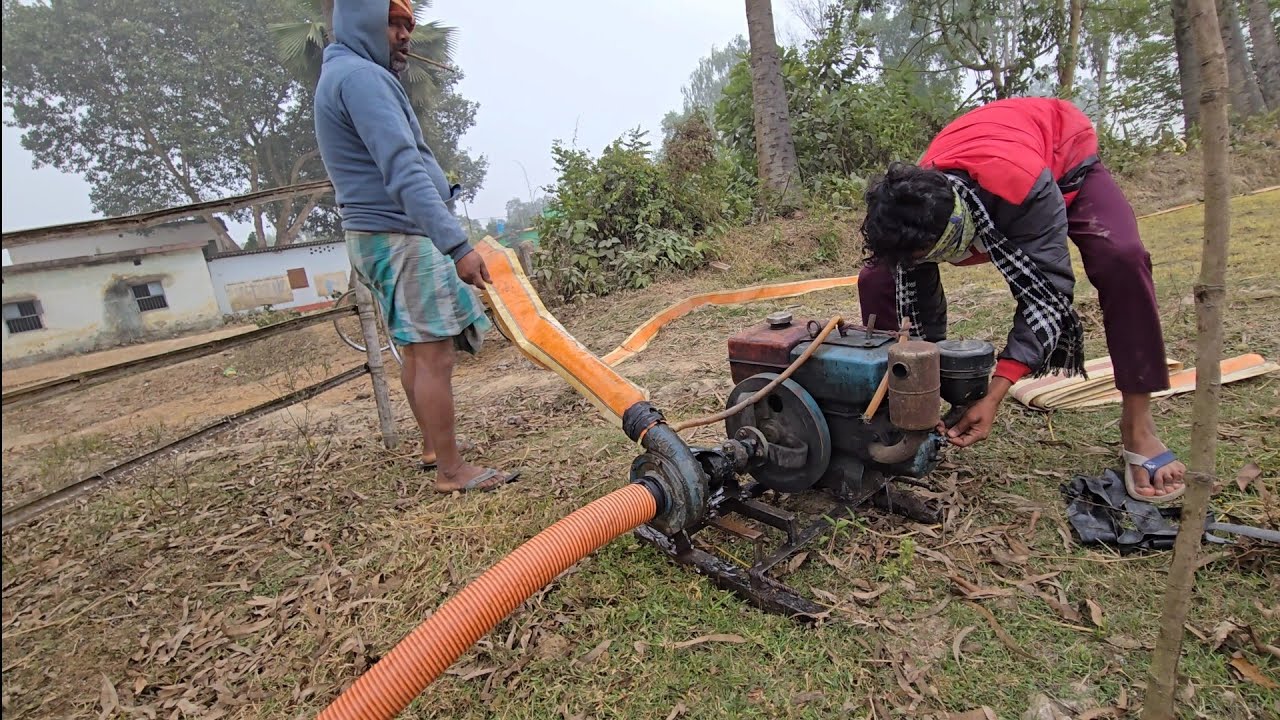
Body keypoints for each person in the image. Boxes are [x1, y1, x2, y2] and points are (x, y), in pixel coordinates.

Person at [857, 97, 1186, 504]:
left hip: (1059, 154)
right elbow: (908, 280)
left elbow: (1047, 293)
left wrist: (995, 391)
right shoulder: (921, 200)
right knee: (878, 277)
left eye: (926, 254)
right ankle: (895, 402)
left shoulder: (1023, 189)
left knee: (1121, 257)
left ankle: (1139, 426)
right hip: (990, 147)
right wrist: (924, 378)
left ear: (952, 234)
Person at [314, 0, 518, 493]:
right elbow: (403, 167)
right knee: (433, 357)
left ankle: (433, 448)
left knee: (414, 351)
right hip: (398, 233)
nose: (405, 35)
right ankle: (452, 470)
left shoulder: (344, 75)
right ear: (362, 22)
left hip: (377, 234)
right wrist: (455, 244)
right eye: (393, 23)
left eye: (409, 24)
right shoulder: (363, 79)